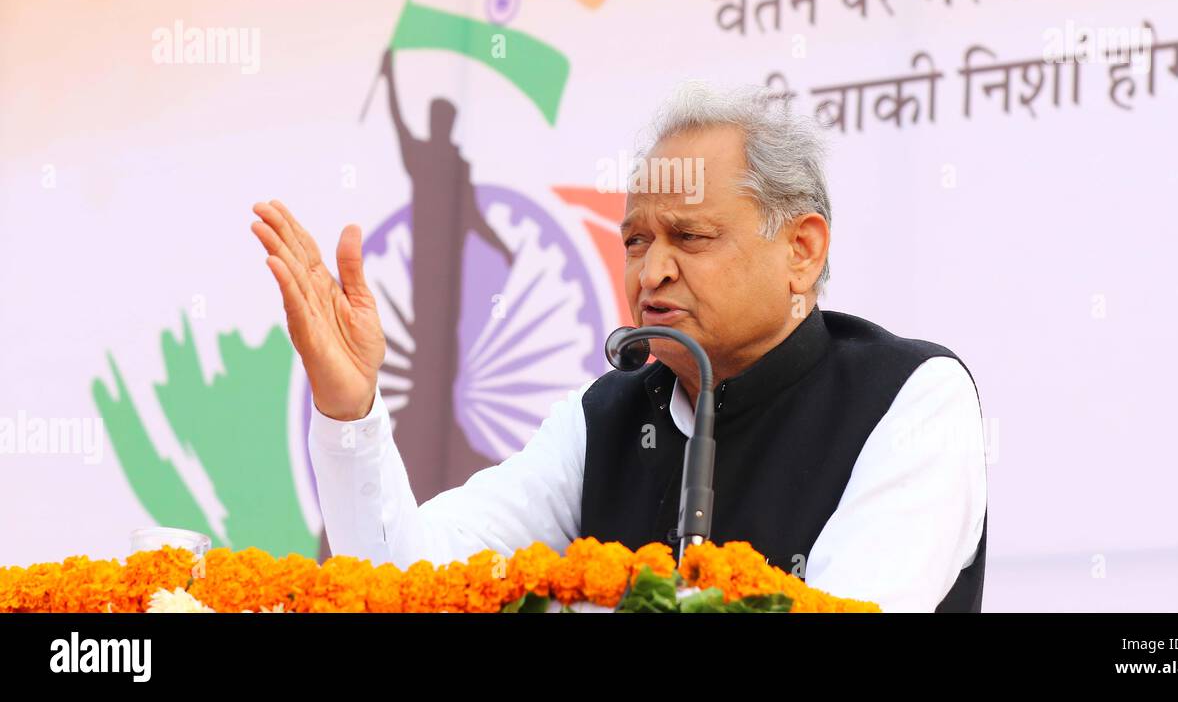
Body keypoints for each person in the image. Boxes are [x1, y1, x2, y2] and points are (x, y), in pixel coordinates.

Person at [250, 81, 989, 611]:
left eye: (691, 237)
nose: (651, 270)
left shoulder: (913, 398)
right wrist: (350, 413)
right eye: (635, 240)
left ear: (801, 249)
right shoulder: (603, 417)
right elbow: (406, 585)